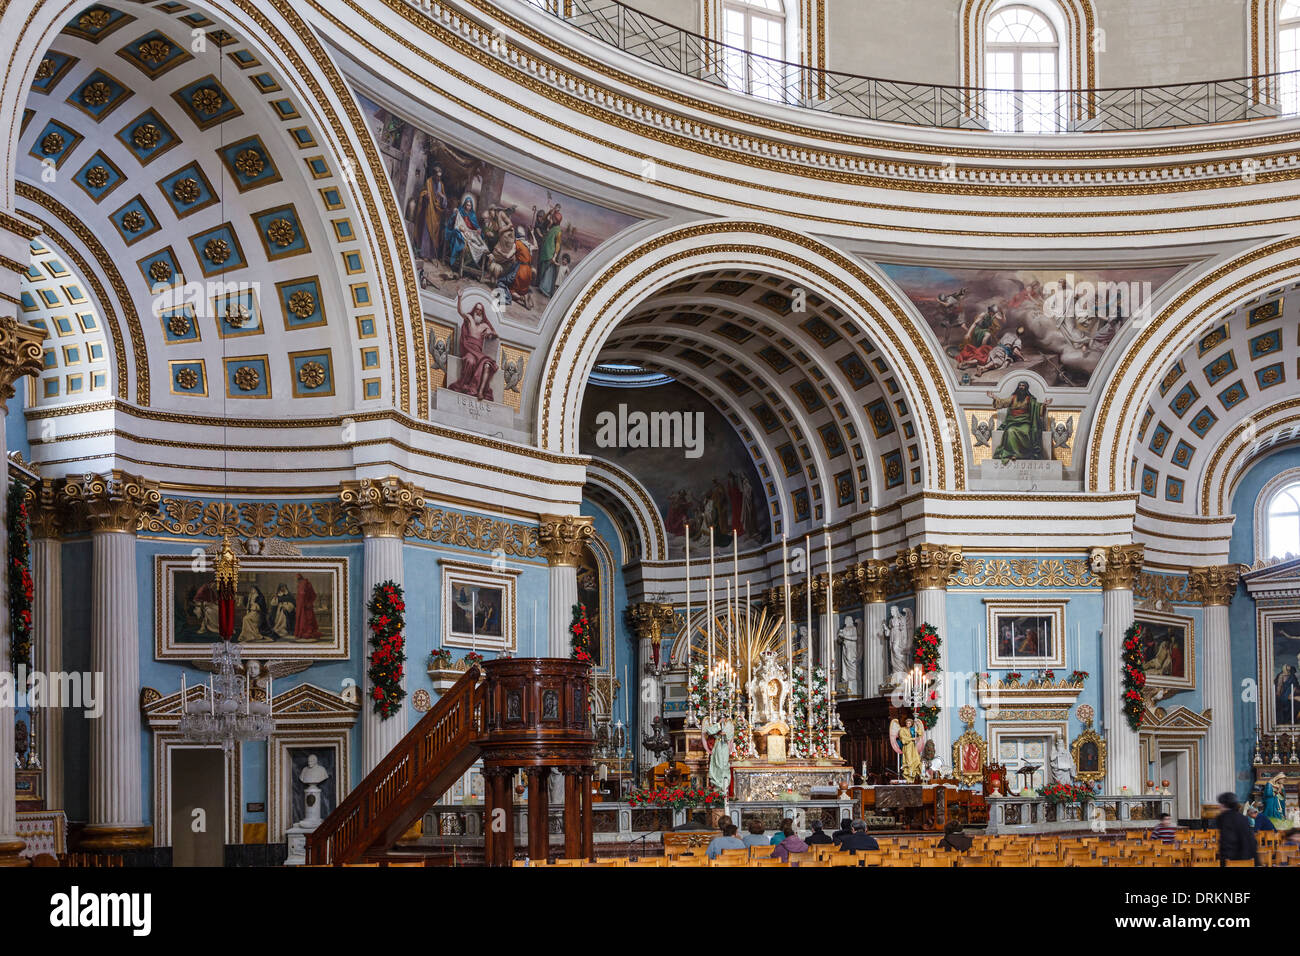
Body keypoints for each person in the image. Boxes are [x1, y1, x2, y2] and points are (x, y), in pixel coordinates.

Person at [1216, 792, 1257, 864]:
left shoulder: (1225, 819)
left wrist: (1224, 861)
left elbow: (1228, 843)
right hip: (1248, 858)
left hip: (1233, 860)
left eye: (1221, 804)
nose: (1219, 807)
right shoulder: (1243, 818)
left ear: (1224, 805)